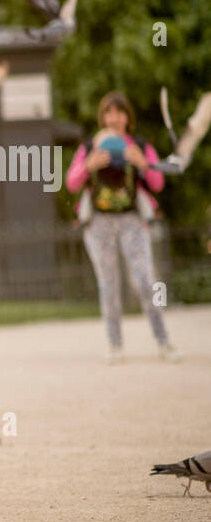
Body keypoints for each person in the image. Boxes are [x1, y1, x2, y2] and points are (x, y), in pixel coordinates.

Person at [66, 90, 178, 364]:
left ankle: (163, 341)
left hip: (131, 221)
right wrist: (88, 165)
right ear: (103, 117)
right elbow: (71, 182)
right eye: (108, 112)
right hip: (99, 223)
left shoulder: (138, 145)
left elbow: (158, 183)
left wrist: (143, 163)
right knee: (109, 285)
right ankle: (115, 345)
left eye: (119, 112)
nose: (114, 118)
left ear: (128, 117)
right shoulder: (92, 145)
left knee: (144, 281)